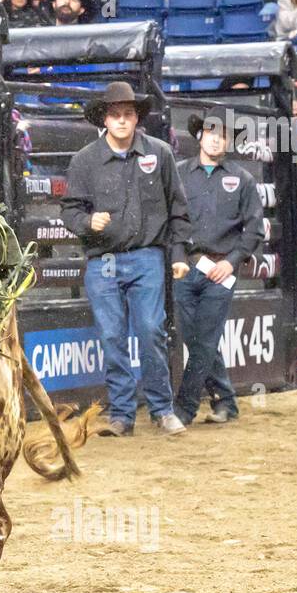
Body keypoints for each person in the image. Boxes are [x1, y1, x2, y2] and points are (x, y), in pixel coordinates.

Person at [60, 82, 191, 437]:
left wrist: (178, 254)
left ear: (136, 118)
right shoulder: (85, 160)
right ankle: (122, 414)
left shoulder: (160, 154)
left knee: (151, 330)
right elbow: (70, 210)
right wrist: (87, 222)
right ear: (105, 118)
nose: (121, 120)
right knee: (112, 335)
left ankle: (162, 409)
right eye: (115, 114)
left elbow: (178, 209)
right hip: (102, 259)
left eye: (128, 114)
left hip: (148, 255)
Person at [172, 114, 265, 427]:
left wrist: (232, 261)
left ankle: (183, 410)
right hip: (186, 264)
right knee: (197, 339)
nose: (215, 139)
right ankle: (225, 401)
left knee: (204, 338)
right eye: (210, 133)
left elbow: (254, 229)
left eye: (222, 135)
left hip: (223, 268)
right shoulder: (180, 174)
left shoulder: (242, 179)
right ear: (199, 136)